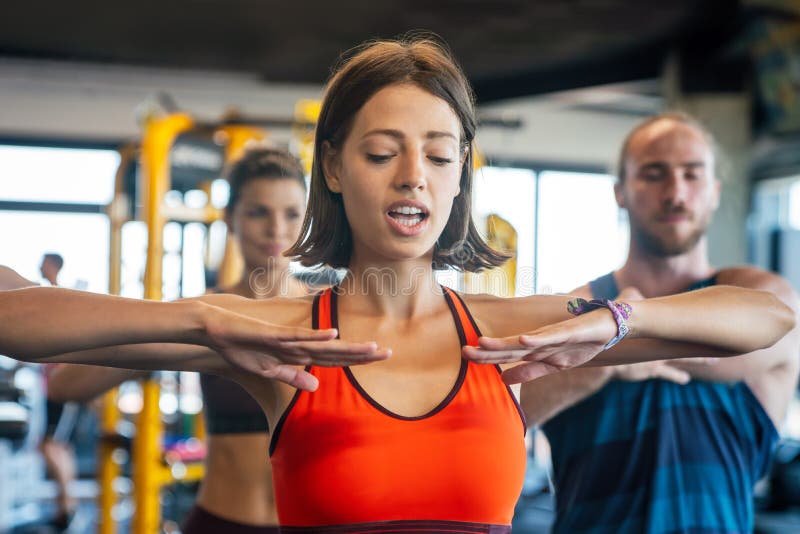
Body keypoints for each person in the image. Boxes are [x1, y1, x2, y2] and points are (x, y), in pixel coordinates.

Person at [0, 38, 795, 534]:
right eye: (384, 152)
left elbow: (768, 316)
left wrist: (619, 319)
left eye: (440, 154)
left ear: (459, 178)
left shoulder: (519, 326)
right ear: (337, 167)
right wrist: (206, 319)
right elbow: (17, 321)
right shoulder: (276, 334)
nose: (414, 175)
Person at [523, 112, 800, 534]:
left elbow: (773, 327)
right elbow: (512, 405)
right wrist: (608, 364)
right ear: (620, 192)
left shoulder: (755, 299)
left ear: (715, 191)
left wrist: (618, 331)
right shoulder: (569, 311)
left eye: (693, 175)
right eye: (654, 174)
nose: (675, 193)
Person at [47, 147, 311, 534]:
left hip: (315, 526)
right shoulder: (205, 316)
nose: (276, 229)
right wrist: (159, 338)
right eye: (258, 212)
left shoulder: (334, 314)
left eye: (291, 214)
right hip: (222, 523)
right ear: (230, 219)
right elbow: (65, 384)